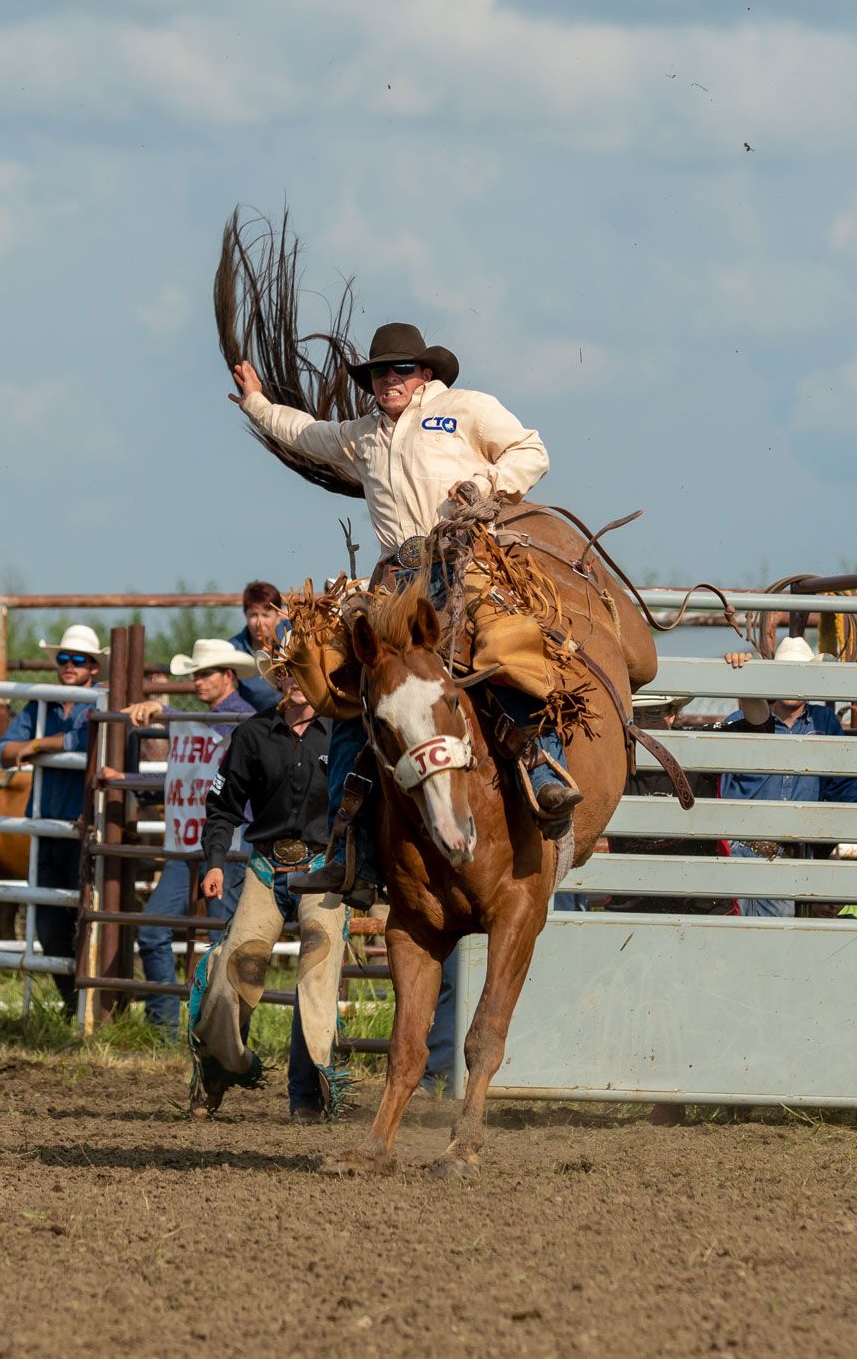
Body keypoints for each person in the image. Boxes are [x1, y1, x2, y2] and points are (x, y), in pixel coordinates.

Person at [229, 321, 572, 897]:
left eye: (401, 369)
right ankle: (349, 847)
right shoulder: (362, 435)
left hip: (464, 556)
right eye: (379, 372)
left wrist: (486, 484)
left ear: (425, 374)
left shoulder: (465, 409)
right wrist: (258, 402)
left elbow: (530, 450)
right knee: (347, 690)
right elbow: (305, 432)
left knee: (503, 642)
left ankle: (544, 768)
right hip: (396, 578)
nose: (389, 379)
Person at [186, 670, 350, 1120]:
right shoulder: (253, 734)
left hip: (322, 867)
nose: (298, 681)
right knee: (235, 968)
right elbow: (223, 807)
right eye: (289, 672)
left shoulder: (342, 734)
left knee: (317, 969)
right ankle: (221, 1069)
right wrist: (216, 859)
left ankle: (307, 1093)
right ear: (279, 679)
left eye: (307, 672)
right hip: (264, 865)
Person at [120, 637, 260, 1030]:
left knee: (222, 938)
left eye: (205, 674)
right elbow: (184, 774)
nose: (197, 681)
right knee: (162, 930)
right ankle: (169, 1028)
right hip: (197, 842)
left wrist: (167, 711)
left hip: (226, 842)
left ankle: (217, 1031)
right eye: (195, 675)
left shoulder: (241, 719)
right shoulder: (204, 725)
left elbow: (203, 754)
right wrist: (127, 779)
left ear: (227, 676)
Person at [718, 636, 857, 918]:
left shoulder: (825, 721)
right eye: (784, 674)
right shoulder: (741, 719)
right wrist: (742, 674)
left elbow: (838, 782)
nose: (791, 683)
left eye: (799, 675)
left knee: (773, 947)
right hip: (738, 850)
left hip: (788, 854)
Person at [0, 623, 108, 1019]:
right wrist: (21, 748)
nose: (70, 665)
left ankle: (91, 1002)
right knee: (49, 924)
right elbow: (1, 751)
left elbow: (83, 740)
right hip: (46, 829)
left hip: (84, 830)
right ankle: (72, 999)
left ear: (93, 666)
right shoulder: (41, 706)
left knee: (87, 919)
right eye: (64, 659)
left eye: (78, 660)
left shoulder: (97, 702)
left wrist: (37, 746)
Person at [231, 580, 290, 714]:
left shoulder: (295, 635)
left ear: (279, 615)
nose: (259, 623)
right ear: (245, 615)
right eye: (253, 615)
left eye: (265, 615)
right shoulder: (234, 649)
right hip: (255, 723)